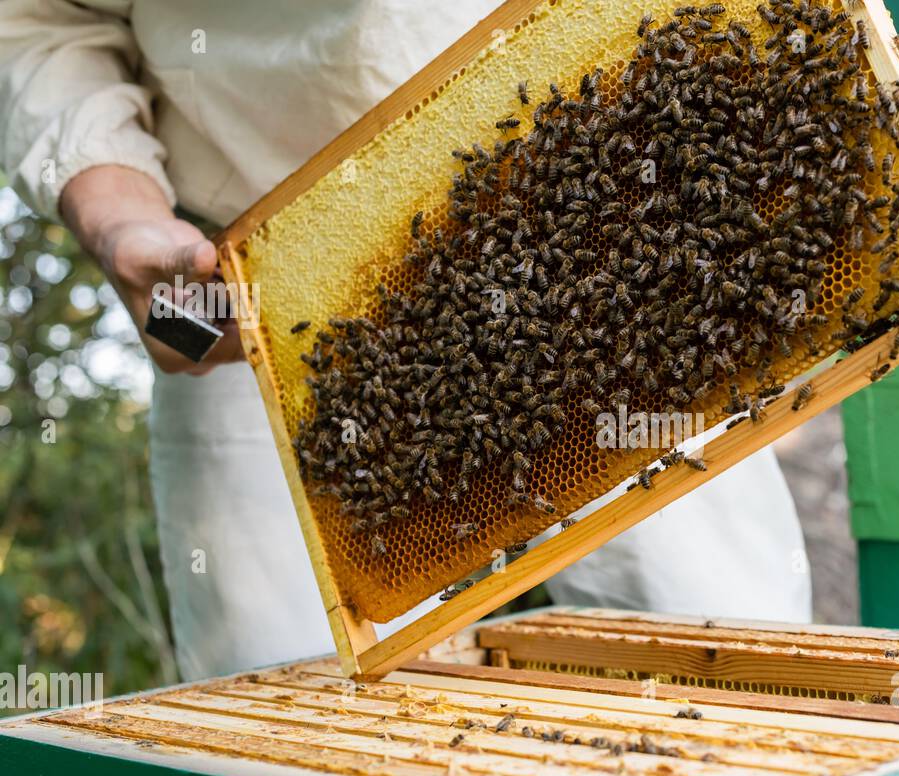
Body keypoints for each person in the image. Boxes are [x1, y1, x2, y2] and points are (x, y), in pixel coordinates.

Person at [0, 1, 811, 680]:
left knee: (745, 665)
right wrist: (120, 217)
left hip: (617, 261)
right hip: (274, 324)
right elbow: (40, 21)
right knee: (299, 738)